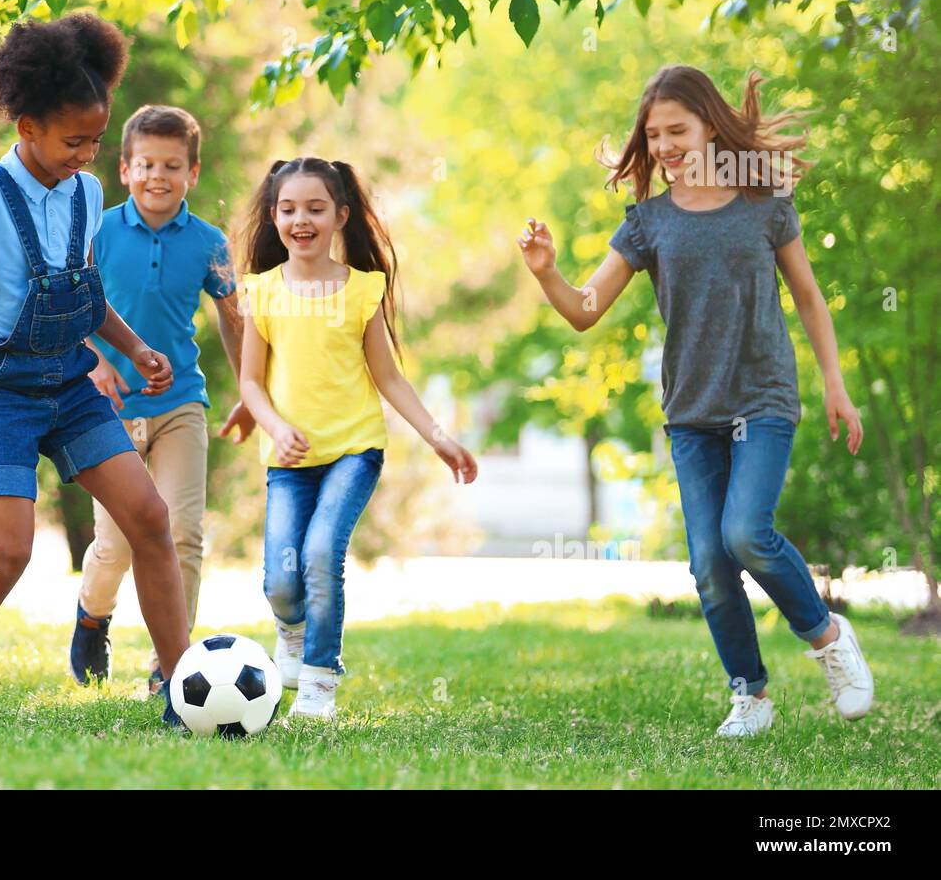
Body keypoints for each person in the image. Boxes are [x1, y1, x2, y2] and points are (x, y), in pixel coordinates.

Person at [516, 64, 873, 737]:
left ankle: (826, 636)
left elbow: (808, 294)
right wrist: (547, 273)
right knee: (709, 561)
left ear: (710, 126)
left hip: (763, 396)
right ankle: (751, 694)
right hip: (691, 411)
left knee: (746, 533)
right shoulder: (649, 223)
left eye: (676, 129)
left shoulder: (764, 204)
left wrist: (835, 383)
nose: (664, 145)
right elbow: (587, 308)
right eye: (653, 136)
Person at [0, 13, 190, 726]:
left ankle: (178, 685)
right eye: (73, 140)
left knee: (149, 516)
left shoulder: (83, 194)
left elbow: (82, 288)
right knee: (10, 550)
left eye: (96, 140)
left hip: (70, 384)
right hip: (0, 394)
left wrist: (133, 347)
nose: (87, 154)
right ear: (27, 126)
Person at [238, 156, 478, 719]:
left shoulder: (362, 291)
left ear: (340, 216)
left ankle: (321, 678)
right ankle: (291, 631)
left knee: (322, 554)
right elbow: (250, 381)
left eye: (316, 208)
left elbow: (388, 376)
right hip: (288, 459)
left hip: (353, 450)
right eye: (289, 208)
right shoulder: (263, 293)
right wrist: (274, 425)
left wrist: (437, 435)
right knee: (280, 581)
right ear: (274, 217)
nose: (302, 219)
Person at [70, 105, 253, 691]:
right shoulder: (96, 230)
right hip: (108, 408)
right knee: (115, 544)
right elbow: (70, 302)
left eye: (172, 166)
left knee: (183, 535)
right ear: (124, 169)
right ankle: (92, 617)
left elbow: (232, 316)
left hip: (180, 404)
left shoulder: (209, 243)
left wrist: (250, 388)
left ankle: (170, 664)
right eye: (146, 164)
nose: (158, 176)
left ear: (192, 174)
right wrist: (95, 362)